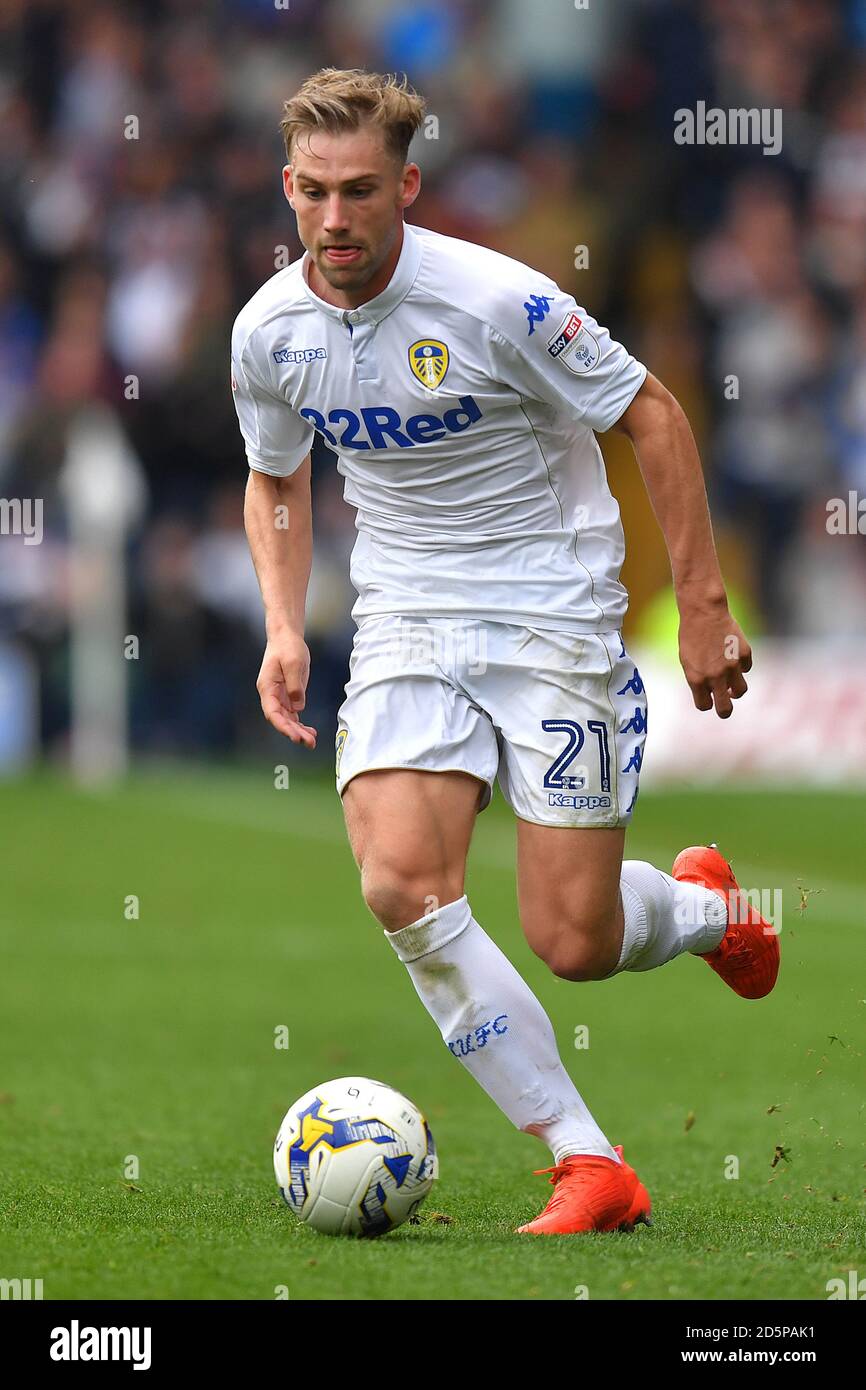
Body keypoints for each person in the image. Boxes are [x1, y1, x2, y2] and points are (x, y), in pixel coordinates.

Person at [232, 68, 779, 1235]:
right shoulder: (268, 331)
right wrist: (285, 620)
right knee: (398, 886)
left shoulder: (493, 302)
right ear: (288, 188)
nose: (335, 219)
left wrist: (702, 610)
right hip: (406, 618)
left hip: (549, 613)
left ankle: (697, 910)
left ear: (406, 188)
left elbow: (653, 415)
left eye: (361, 191)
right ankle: (588, 1161)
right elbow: (275, 475)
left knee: (571, 940)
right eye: (315, 192)